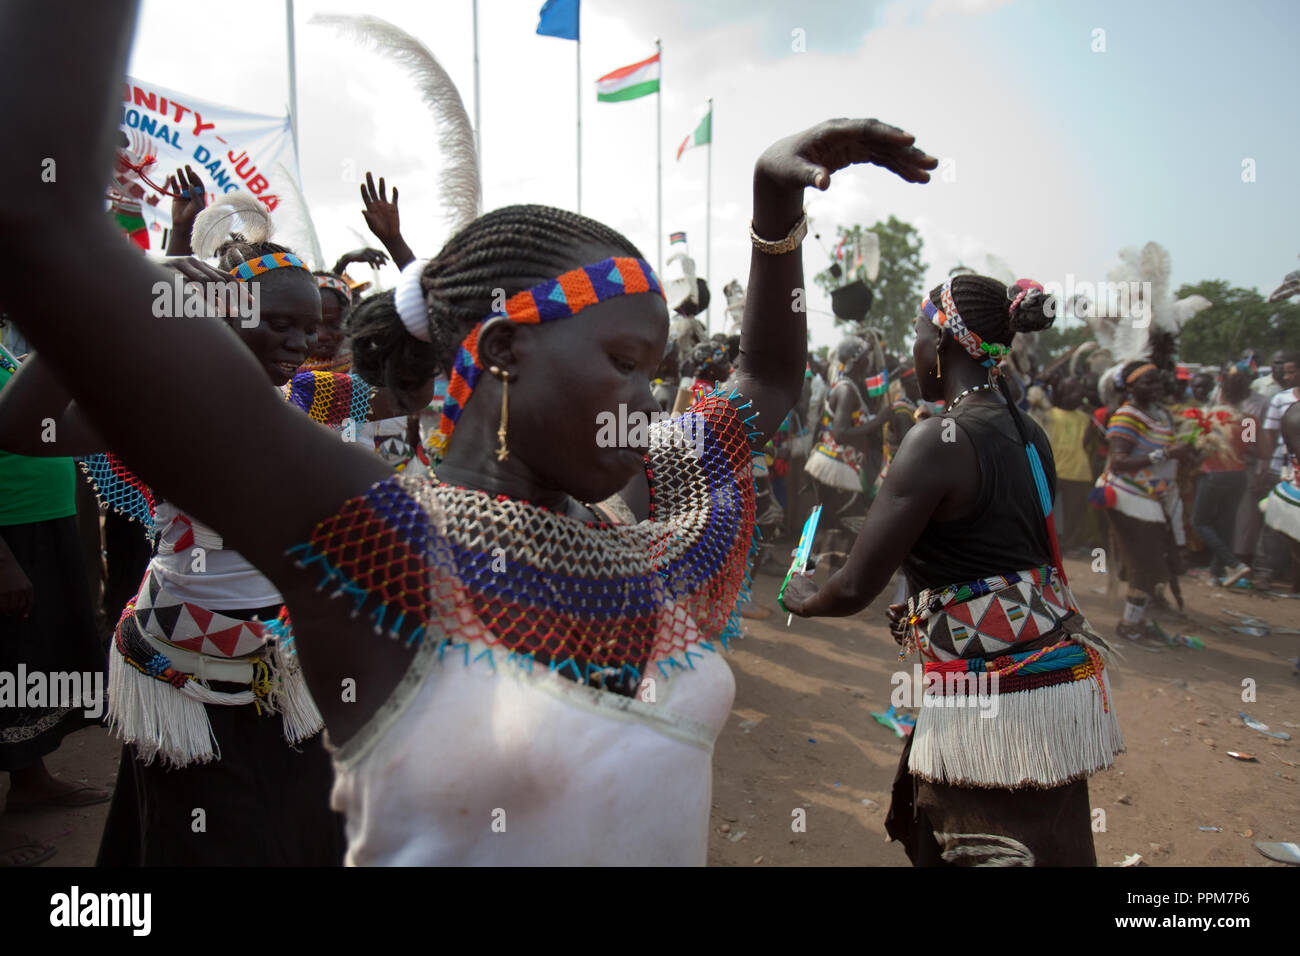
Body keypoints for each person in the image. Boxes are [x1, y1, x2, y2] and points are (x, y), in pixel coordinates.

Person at [0, 6, 937, 863]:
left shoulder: (661, 548)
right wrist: (169, 265)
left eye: (656, 372)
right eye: (623, 361)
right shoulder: (378, 547)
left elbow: (766, 385)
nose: (650, 400)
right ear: (500, 351)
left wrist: (773, 208)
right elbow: (41, 227)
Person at [783, 274, 1123, 866]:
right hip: (1055, 681)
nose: (911, 351)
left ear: (941, 343)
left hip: (989, 703)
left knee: (985, 848)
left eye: (917, 335)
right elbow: (1004, 546)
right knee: (1049, 848)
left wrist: (806, 596)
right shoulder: (1028, 432)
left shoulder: (936, 440)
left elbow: (857, 588)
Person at [1095, 362, 1196, 639]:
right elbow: (1119, 462)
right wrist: (1168, 455)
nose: (1156, 387)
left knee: (1150, 559)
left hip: (1154, 496)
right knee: (1146, 562)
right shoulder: (1126, 416)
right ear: (1130, 387)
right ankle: (1130, 624)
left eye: (1158, 381)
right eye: (1148, 383)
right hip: (1130, 496)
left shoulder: (1161, 414)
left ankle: (1137, 620)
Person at [1188, 368, 1251, 586]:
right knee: (1224, 524)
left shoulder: (1209, 417)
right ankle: (1215, 573)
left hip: (1213, 474)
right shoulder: (1248, 420)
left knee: (1199, 522)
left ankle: (1233, 563)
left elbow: (1197, 445)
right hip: (1239, 476)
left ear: (1221, 393)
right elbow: (1253, 449)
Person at [1252, 351, 1299, 588]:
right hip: (1279, 468)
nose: (1287, 375)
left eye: (1292, 371)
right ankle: (1265, 570)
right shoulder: (1279, 398)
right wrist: (1262, 462)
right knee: (1274, 521)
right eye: (1285, 370)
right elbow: (1266, 433)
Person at [1042, 376, 1096, 553]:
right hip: (1051, 469)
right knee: (1044, 510)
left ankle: (1069, 544)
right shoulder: (1048, 415)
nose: (1078, 395)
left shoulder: (1086, 418)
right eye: (1072, 390)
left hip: (1078, 471)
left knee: (1074, 514)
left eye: (1080, 391)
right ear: (1061, 392)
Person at [1261, 403, 1300, 591]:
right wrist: (1260, 460)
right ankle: (1263, 571)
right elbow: (1260, 433)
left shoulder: (1255, 402)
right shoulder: (1266, 402)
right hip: (1263, 466)